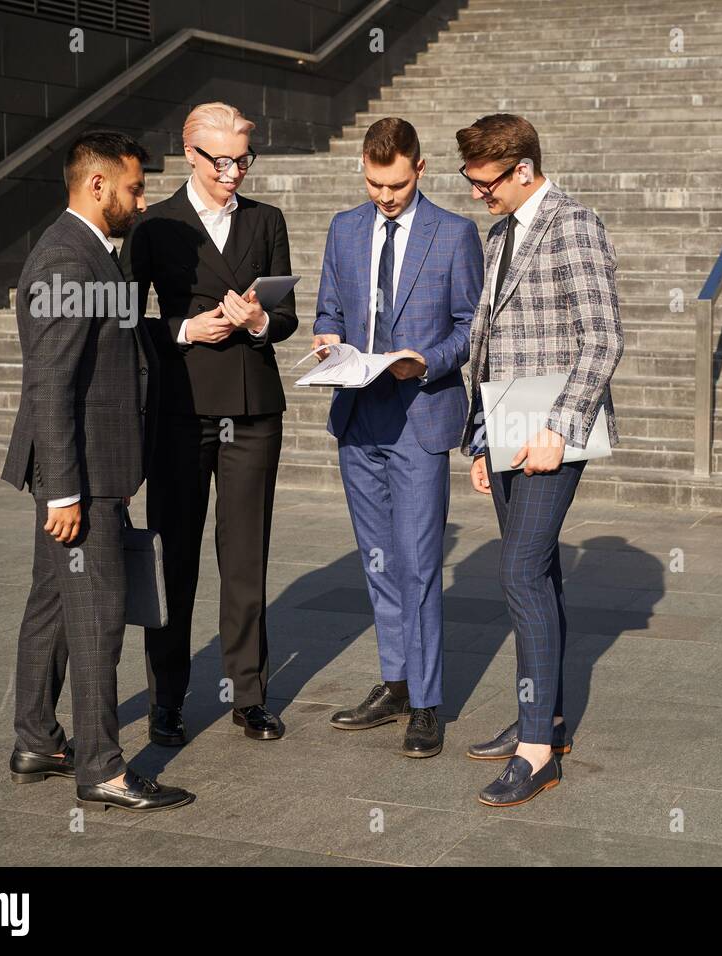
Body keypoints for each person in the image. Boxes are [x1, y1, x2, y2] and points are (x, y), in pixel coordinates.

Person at [3, 129, 193, 813]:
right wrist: (64, 491)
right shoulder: (66, 260)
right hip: (82, 471)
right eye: (135, 188)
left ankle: (35, 739)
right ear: (96, 186)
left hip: (90, 462)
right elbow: (50, 387)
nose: (142, 202)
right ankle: (104, 769)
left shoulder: (94, 253)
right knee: (99, 616)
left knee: (53, 606)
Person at [457, 114, 623, 807]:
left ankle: (537, 753)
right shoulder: (502, 232)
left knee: (520, 570)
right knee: (542, 571)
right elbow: (489, 339)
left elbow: (604, 338)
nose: (477, 194)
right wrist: (478, 436)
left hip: (553, 429)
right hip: (505, 426)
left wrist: (560, 427)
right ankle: (545, 716)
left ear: (522, 168)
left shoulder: (572, 224)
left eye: (485, 182)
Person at [119, 103, 298, 744]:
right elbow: (119, 319)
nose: (234, 172)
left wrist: (257, 323)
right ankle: (168, 697)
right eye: (222, 160)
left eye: (243, 159)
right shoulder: (153, 225)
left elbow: (286, 317)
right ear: (190, 154)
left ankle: (249, 695)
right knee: (175, 556)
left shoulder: (266, 220)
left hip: (252, 408)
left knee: (245, 555)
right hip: (179, 406)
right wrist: (186, 329)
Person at [313, 117, 481, 757]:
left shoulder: (455, 233)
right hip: (358, 415)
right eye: (375, 182)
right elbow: (330, 307)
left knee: (417, 565)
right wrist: (328, 338)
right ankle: (395, 684)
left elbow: (471, 327)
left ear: (419, 169)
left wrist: (427, 361)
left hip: (419, 416)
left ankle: (428, 703)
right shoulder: (344, 229)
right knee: (379, 562)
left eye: (396, 184)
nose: (384, 195)